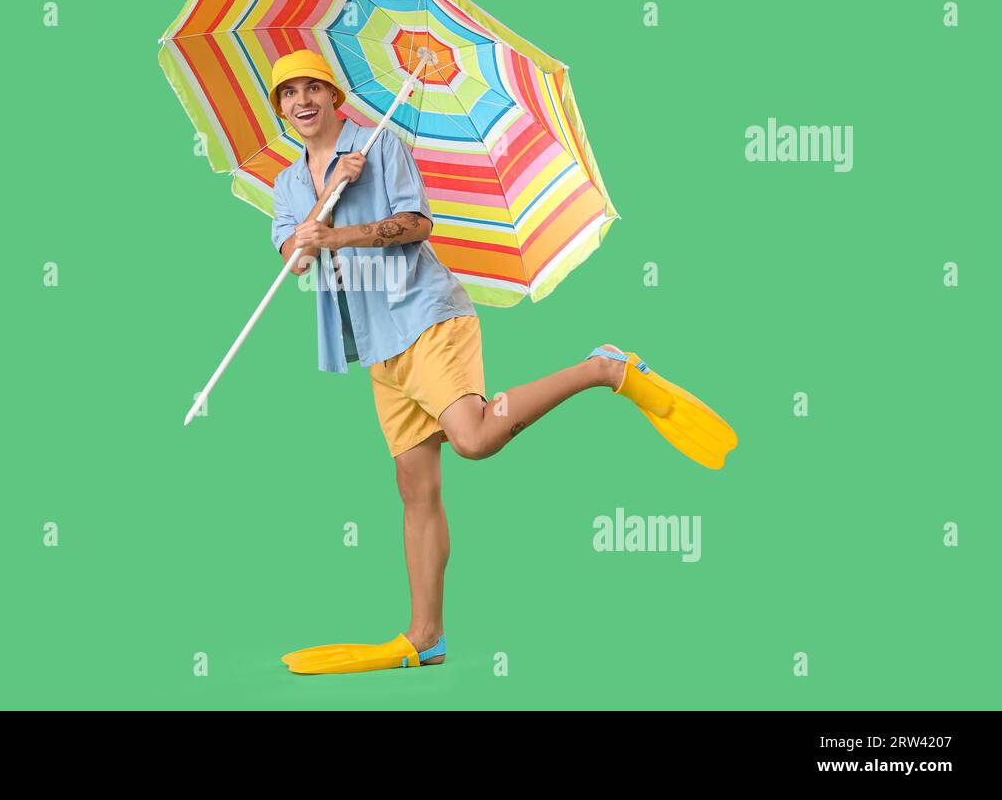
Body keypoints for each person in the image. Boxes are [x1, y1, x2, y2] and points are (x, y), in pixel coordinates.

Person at [268, 49, 736, 675]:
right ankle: (425, 635)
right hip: (376, 344)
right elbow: (293, 259)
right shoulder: (290, 183)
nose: (301, 101)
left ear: (333, 96)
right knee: (415, 488)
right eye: (287, 93)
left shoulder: (381, 146)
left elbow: (416, 223)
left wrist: (343, 230)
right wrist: (325, 200)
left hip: (427, 315)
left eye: (312, 89)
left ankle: (604, 367)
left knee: (475, 438)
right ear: (278, 108)